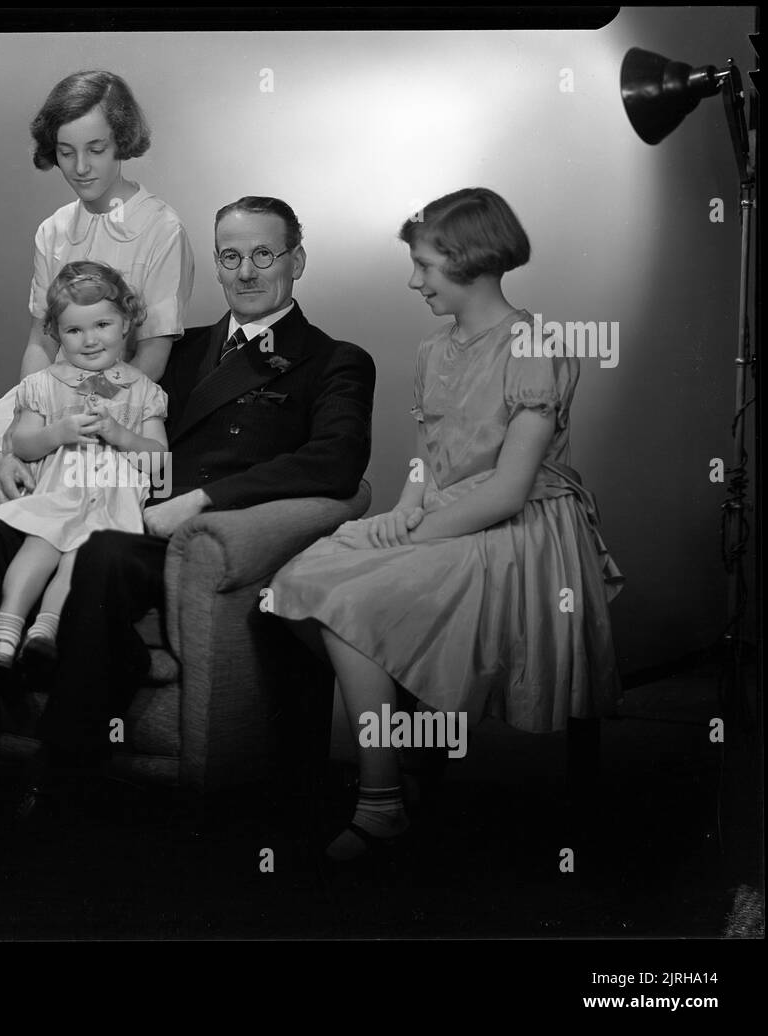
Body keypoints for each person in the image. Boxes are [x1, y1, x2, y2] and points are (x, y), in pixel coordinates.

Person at [0, 196, 375, 819]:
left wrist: (203, 500)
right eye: (230, 256)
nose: (247, 271)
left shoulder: (333, 360)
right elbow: (78, 397)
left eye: (265, 254)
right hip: (105, 504)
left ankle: (62, 773)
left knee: (101, 551)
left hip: (187, 535)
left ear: (298, 260)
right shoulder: (177, 354)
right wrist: (9, 456)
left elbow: (337, 466)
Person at [266, 187, 624, 863]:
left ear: (472, 261)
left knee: (353, 599)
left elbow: (508, 490)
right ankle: (407, 751)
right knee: (297, 580)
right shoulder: (435, 348)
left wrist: (411, 540)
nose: (413, 280)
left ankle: (382, 803)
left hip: (522, 530)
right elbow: (432, 460)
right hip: (446, 511)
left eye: (426, 266)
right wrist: (403, 510)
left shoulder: (535, 347)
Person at [0, 70, 193, 523]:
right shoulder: (54, 230)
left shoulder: (162, 229)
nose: (80, 167)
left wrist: (92, 423)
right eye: (66, 152)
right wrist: (15, 439)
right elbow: (41, 343)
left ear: (121, 141)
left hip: (119, 401)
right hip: (44, 398)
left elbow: (154, 355)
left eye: (96, 150)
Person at [0, 261, 168, 667]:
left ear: (126, 324)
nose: (89, 340)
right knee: (41, 544)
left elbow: (159, 463)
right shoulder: (43, 385)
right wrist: (57, 433)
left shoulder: (144, 393)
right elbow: (23, 445)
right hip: (61, 491)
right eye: (74, 330)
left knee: (82, 559)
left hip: (112, 502)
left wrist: (122, 436)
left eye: (102, 325)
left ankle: (44, 631)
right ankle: (5, 630)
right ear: (56, 333)